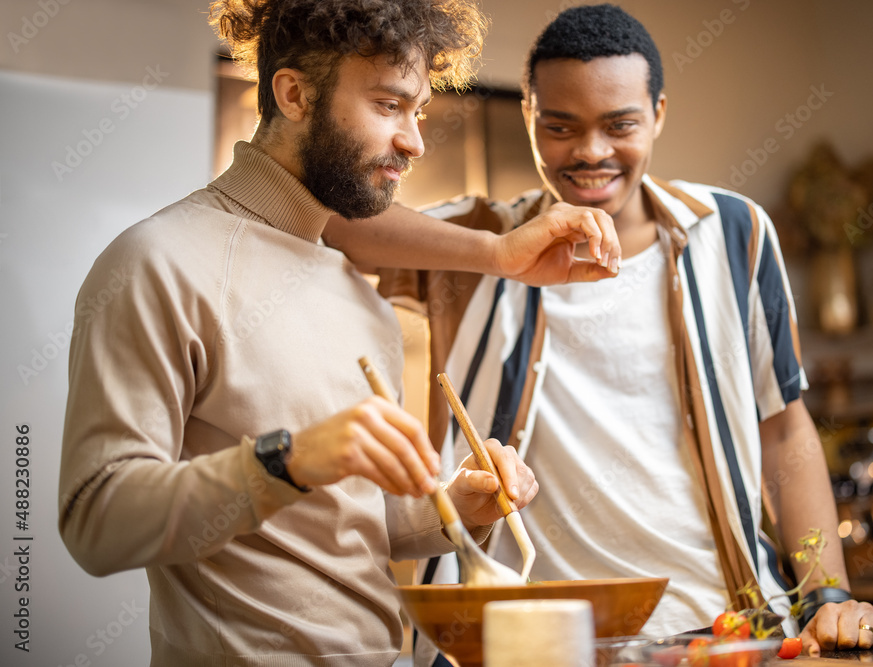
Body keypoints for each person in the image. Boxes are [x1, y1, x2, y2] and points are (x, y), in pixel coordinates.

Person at [57, 1, 623, 665]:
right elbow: (95, 522)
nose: (414, 140)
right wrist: (288, 458)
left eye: (417, 111)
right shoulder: (157, 261)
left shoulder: (361, 296)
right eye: (389, 105)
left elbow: (348, 526)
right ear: (294, 94)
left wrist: (455, 506)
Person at [371, 4, 873, 661]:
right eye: (560, 126)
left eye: (620, 125)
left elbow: (784, 430)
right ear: (529, 117)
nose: (590, 152)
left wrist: (829, 596)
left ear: (659, 114)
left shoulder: (736, 232)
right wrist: (499, 254)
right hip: (527, 645)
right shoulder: (475, 239)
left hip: (725, 632)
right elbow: (335, 226)